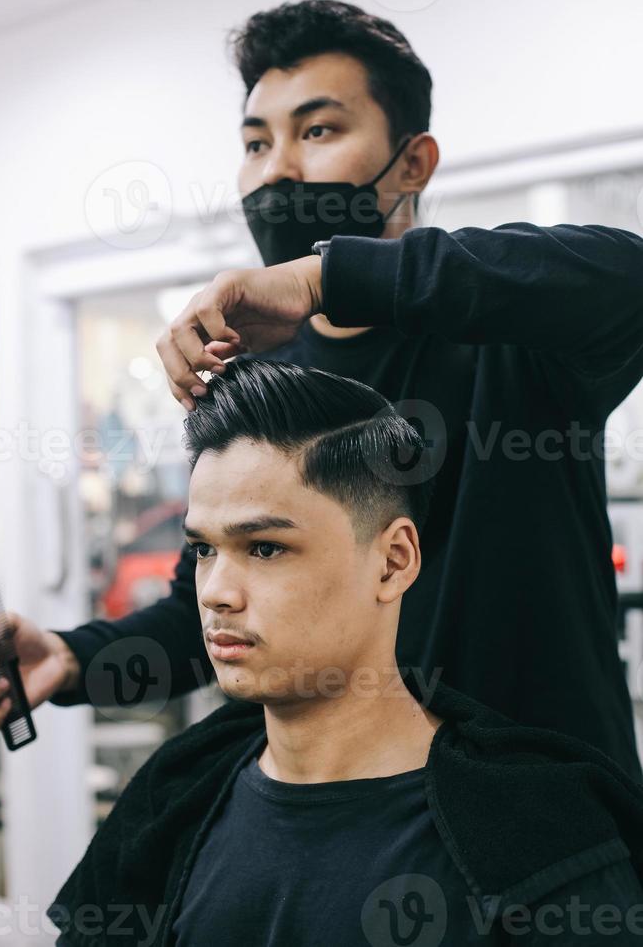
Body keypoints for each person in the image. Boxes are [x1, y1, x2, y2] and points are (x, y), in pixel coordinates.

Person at [0, 0, 643, 779]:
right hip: (345, 811)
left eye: (319, 131)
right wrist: (71, 659)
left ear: (412, 164)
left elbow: (628, 279)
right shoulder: (256, 385)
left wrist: (321, 278)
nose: (277, 170)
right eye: (255, 143)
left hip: (539, 810)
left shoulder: (519, 350)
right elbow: (209, 618)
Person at [47, 360, 643, 947]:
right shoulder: (170, 805)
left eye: (266, 548)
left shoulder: (536, 845)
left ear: (393, 562)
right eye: (204, 550)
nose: (216, 593)